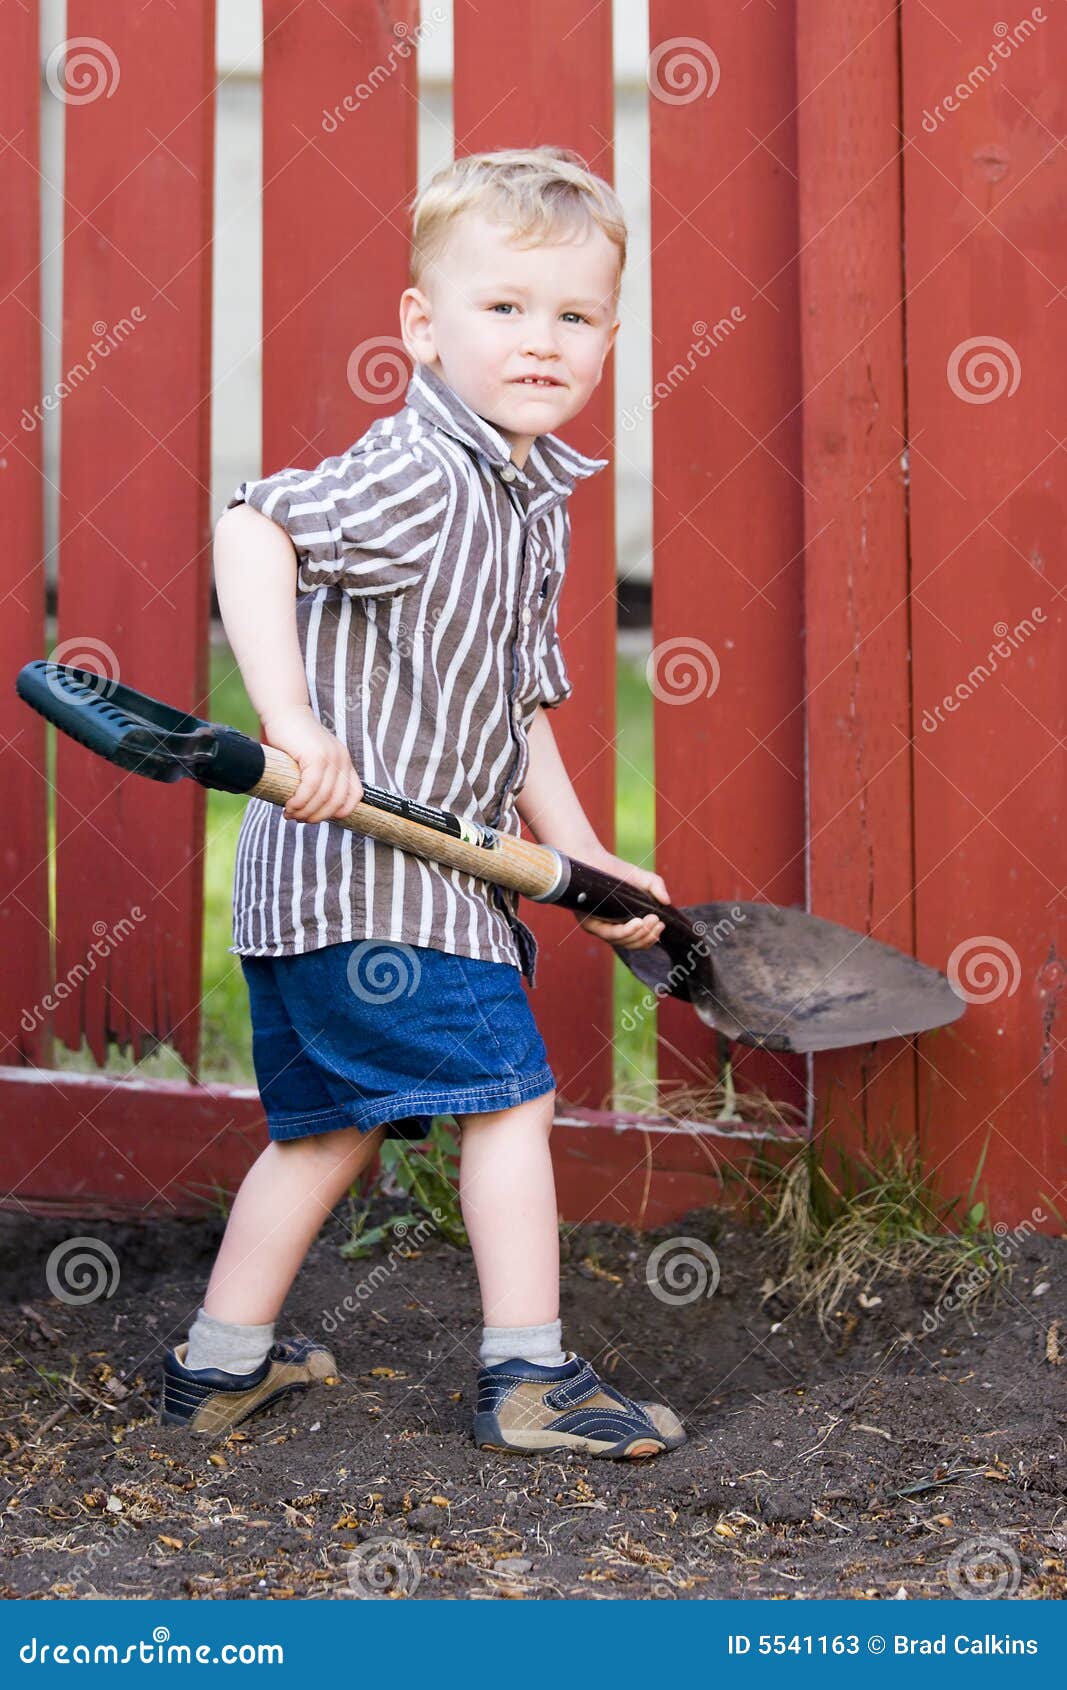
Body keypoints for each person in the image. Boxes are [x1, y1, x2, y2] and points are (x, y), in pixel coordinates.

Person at [160, 146, 686, 1459]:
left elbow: (513, 709)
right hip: (374, 881)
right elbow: (251, 526)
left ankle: (218, 1363)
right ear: (422, 326)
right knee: (510, 1102)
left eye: (572, 315)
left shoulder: (530, 496)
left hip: (326, 889)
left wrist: (586, 863)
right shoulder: (425, 474)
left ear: (611, 336)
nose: (540, 341)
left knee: (326, 1132)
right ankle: (531, 1377)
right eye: (503, 308)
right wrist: (291, 719)